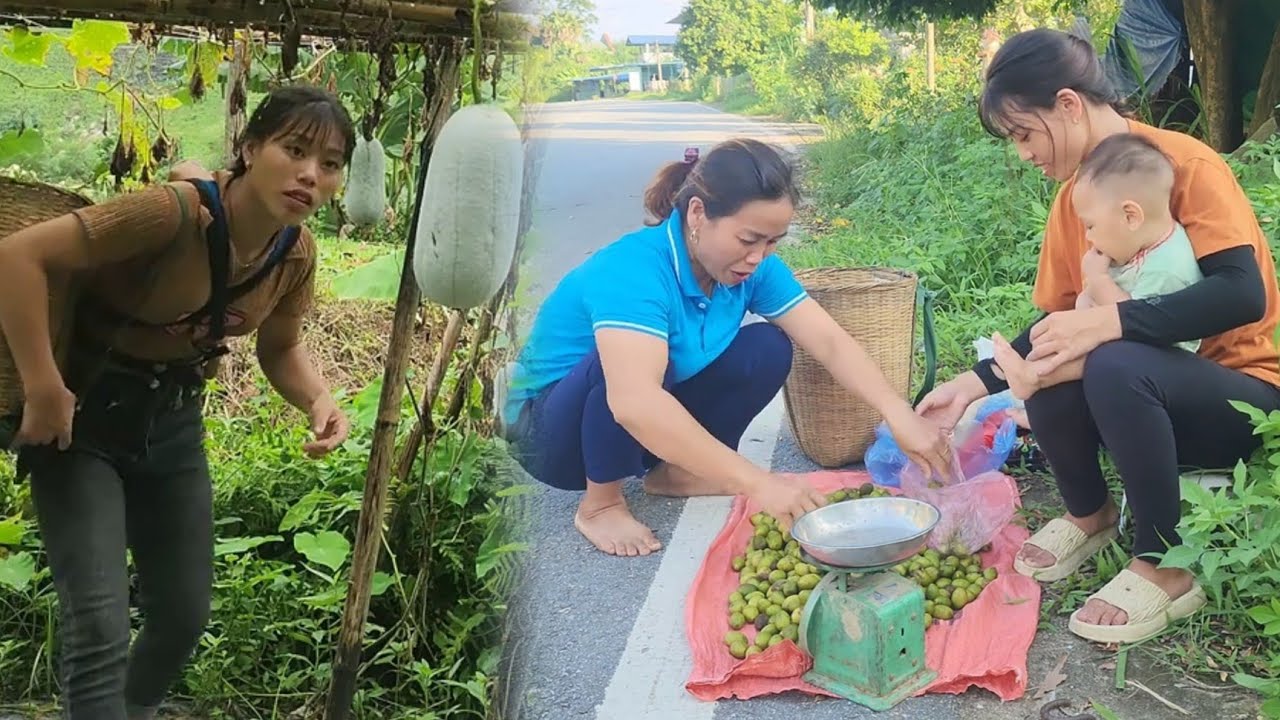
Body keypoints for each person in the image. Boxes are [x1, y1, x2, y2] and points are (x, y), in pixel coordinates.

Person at [0, 84, 355, 719]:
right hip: (80, 419)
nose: (310, 174)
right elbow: (18, 255)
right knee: (99, 625)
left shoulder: (294, 252)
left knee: (182, 617)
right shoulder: (172, 214)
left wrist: (318, 398)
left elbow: (281, 348)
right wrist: (44, 385)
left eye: (330, 163)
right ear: (250, 148)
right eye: (295, 150)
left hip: (173, 424)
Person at [916, 28, 1280, 645]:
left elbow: (1242, 294)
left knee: (1110, 358)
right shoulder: (1074, 203)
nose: (1023, 154)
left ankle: (1164, 565)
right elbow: (1058, 323)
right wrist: (971, 385)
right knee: (1058, 354)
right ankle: (1090, 514)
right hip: (1140, 401)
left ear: (1067, 104)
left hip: (1238, 399)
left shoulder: (1183, 165)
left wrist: (1110, 322)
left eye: (1023, 134)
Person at [503, 138, 953, 558]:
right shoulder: (634, 269)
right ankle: (601, 504)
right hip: (551, 436)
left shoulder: (753, 268)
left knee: (766, 347)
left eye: (772, 242)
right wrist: (759, 483)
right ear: (697, 214)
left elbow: (830, 342)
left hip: (629, 416)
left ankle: (676, 473)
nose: (758, 257)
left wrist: (897, 413)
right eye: (748, 239)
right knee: (630, 367)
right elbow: (634, 402)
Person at [992, 131, 1205, 399]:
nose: (1088, 237)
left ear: (1130, 217)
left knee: (1103, 352)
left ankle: (1036, 377)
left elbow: (1135, 324)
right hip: (1138, 356)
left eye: (1090, 226)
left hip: (1165, 367)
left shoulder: (1165, 270)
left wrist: (1098, 280)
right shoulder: (1142, 244)